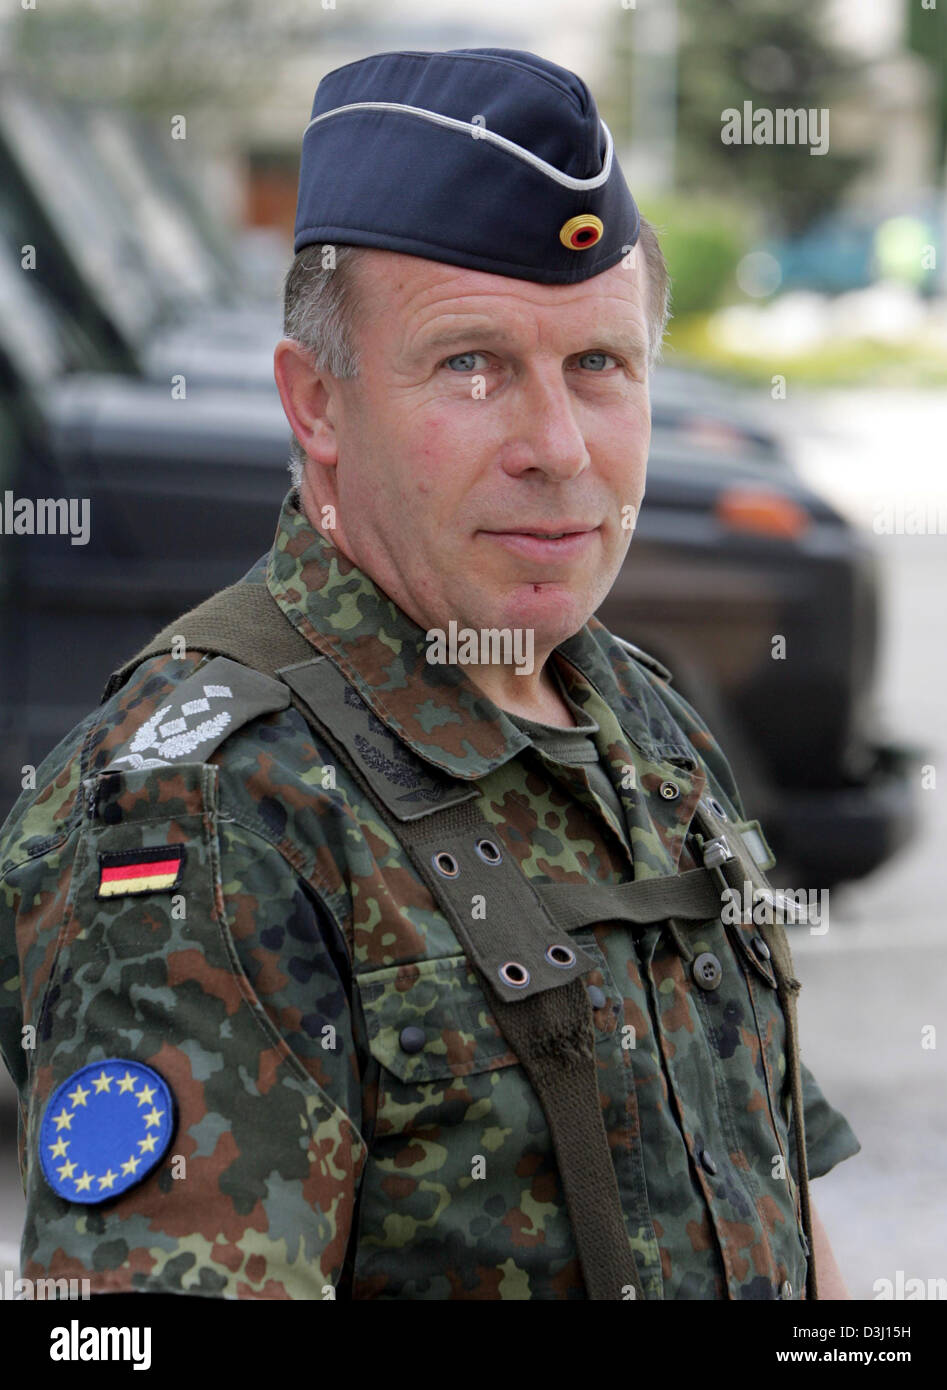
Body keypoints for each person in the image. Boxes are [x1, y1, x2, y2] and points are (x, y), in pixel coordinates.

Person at [0, 47, 858, 1301]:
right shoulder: (214, 806)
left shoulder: (641, 724)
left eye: (598, 366)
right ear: (317, 404)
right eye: (472, 364)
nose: (559, 450)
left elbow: (782, 1209)